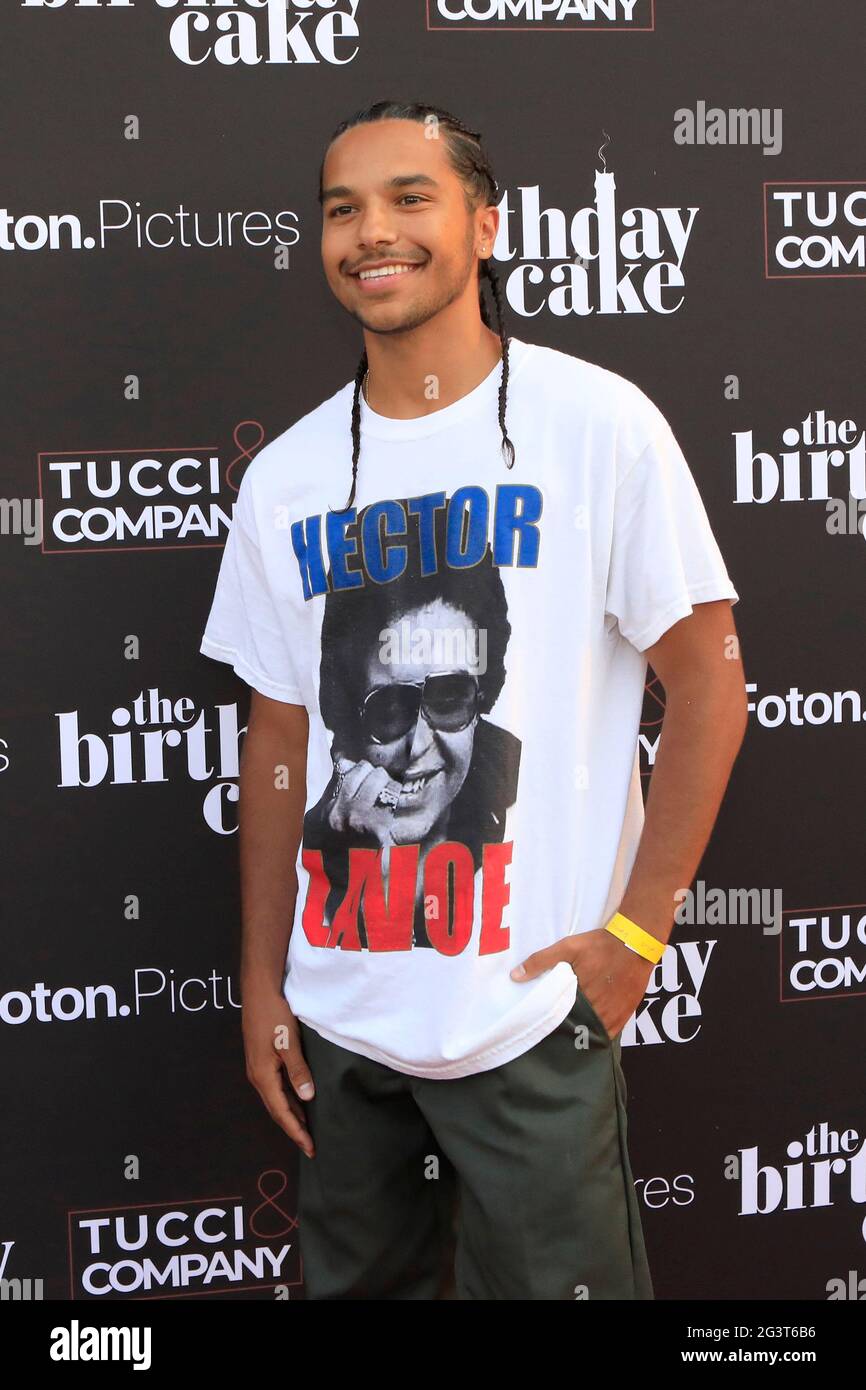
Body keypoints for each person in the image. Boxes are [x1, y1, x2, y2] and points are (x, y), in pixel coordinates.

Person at [199, 99, 749, 1300]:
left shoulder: (594, 426)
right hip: (345, 1028)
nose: (370, 232)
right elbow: (282, 737)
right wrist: (263, 980)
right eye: (342, 208)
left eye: (408, 198)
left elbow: (707, 679)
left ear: (482, 226)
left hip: (528, 1017)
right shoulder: (287, 477)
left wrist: (636, 936)